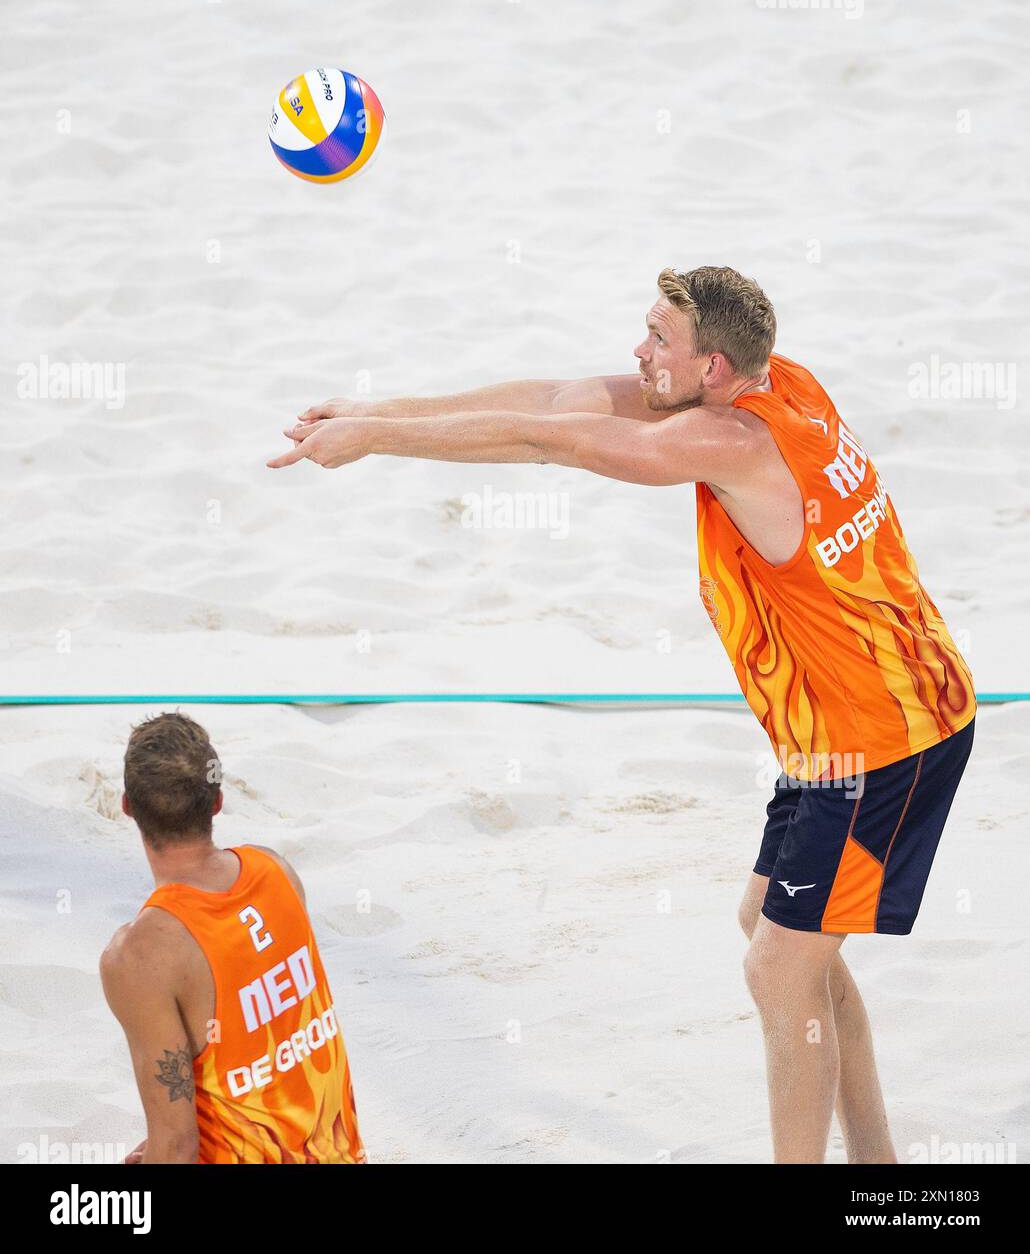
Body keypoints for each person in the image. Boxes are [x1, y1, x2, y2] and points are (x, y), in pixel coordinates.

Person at [269, 264, 976, 1164]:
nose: (639, 352)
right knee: (775, 934)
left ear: (713, 368)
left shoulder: (732, 446)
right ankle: (880, 1172)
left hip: (889, 742)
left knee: (778, 968)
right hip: (846, 726)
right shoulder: (777, 380)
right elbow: (559, 397)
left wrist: (375, 443)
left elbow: (549, 441)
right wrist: (375, 411)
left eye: (658, 341)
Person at [100, 712, 365, 1164]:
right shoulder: (276, 870)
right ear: (217, 800)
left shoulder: (139, 955)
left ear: (127, 806)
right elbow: (266, 1040)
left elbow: (177, 1145)